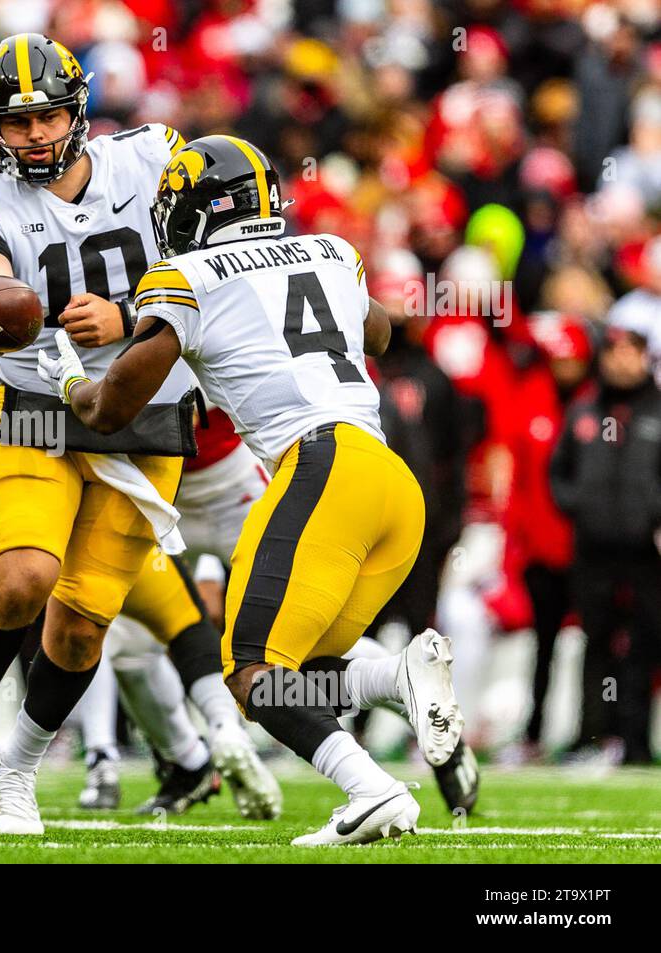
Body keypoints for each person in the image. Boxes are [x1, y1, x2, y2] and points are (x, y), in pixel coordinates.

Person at [39, 134, 465, 845]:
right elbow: (381, 333)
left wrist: (68, 379)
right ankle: (396, 676)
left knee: (250, 670)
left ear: (199, 208)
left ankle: (374, 789)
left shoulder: (186, 274)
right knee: (303, 673)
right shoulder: (331, 250)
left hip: (321, 465)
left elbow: (110, 409)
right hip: (390, 480)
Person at [0, 34, 229, 835]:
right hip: (41, 410)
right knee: (19, 578)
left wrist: (137, 318)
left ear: (78, 111)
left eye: (47, 116)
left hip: (145, 413)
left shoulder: (152, 158)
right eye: (16, 124)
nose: (35, 135)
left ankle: (17, 768)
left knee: (82, 629)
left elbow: (217, 261)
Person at [0, 275, 280, 818]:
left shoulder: (175, 256)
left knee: (91, 628)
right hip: (34, 447)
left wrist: (128, 318)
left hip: (139, 458)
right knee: (24, 592)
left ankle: (57, 762)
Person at [550, 320, 661, 765]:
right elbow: (558, 472)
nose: (620, 362)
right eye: (613, 353)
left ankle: (634, 742)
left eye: (629, 352)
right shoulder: (585, 410)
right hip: (593, 549)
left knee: (644, 645)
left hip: (645, 552)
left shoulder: (656, 411)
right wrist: (582, 508)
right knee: (593, 643)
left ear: (644, 357)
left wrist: (651, 515)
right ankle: (591, 736)